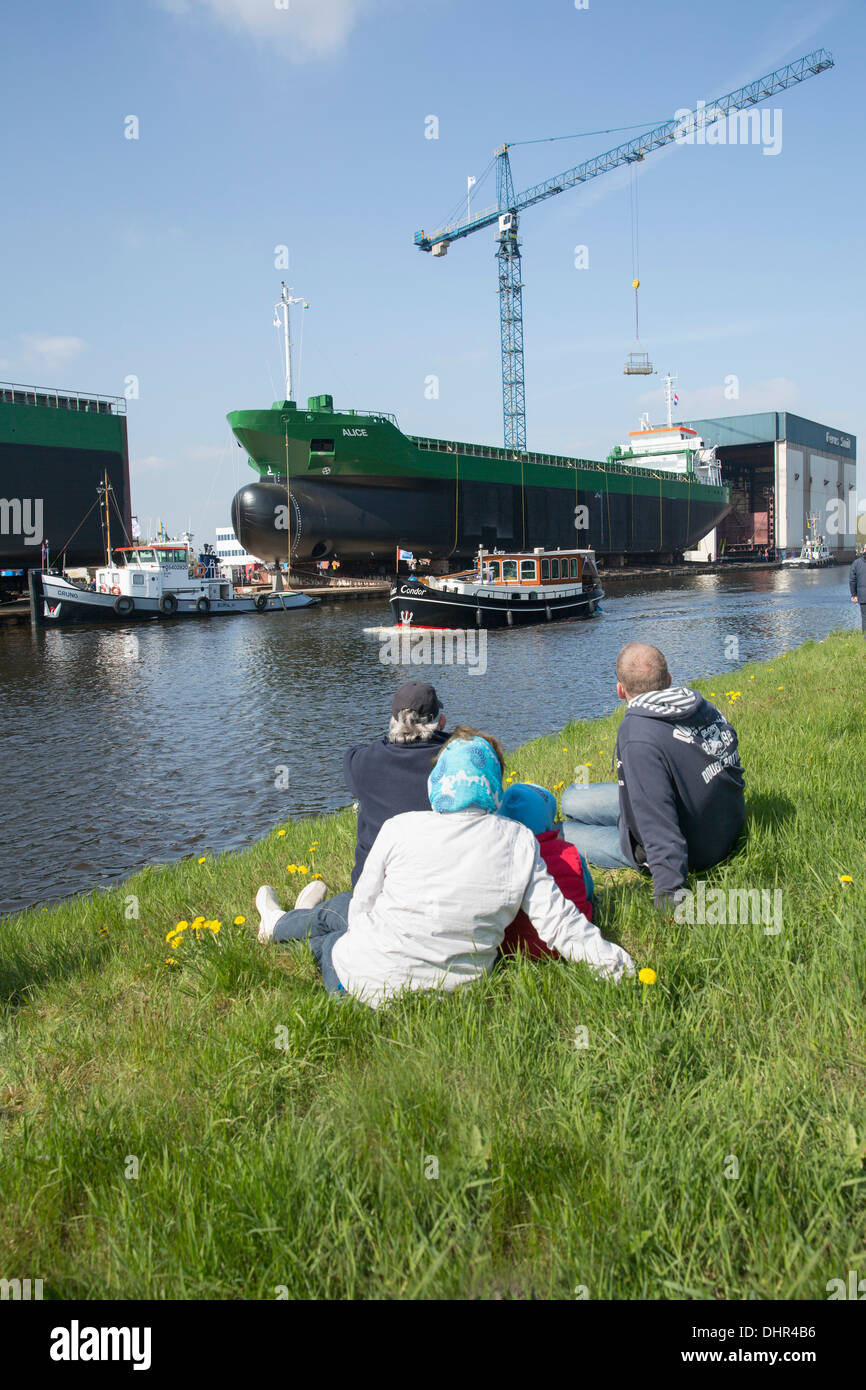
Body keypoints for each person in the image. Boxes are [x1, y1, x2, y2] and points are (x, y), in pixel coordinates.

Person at [254, 731, 634, 1006]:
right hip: (456, 995)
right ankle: (293, 918)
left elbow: (362, 909)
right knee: (338, 911)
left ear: (437, 783)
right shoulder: (519, 840)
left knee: (335, 923)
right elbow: (558, 922)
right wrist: (615, 964)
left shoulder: (400, 827)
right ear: (494, 788)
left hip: (365, 987)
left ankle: (278, 924)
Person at [561, 642, 745, 909]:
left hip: (695, 846)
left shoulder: (638, 737)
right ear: (669, 680)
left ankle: (615, 837)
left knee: (562, 833)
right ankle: (622, 821)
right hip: (725, 821)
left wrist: (670, 894)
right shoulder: (700, 705)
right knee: (571, 799)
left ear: (620, 690)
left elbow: (657, 821)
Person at [343, 680, 449, 886]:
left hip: (377, 890)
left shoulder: (362, 761)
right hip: (441, 884)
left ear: (393, 722)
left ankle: (280, 916)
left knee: (327, 911)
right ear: (440, 721)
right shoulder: (458, 758)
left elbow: (356, 751)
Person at [497, 782, 594, 960]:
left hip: (513, 947)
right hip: (573, 945)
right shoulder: (568, 853)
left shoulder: (500, 858)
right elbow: (587, 890)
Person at [849, 543, 866, 636]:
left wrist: (854, 595)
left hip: (863, 596)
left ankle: (865, 639)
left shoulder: (856, 563)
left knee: (864, 618)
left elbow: (852, 580)